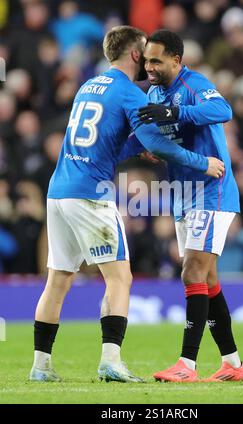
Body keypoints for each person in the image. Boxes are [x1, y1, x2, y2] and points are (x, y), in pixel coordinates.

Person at [29, 26, 225, 383]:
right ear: (136, 54)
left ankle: (40, 366)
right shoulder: (129, 93)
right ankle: (111, 361)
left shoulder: (88, 85)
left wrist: (137, 147)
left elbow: (111, 140)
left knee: (57, 281)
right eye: (145, 55)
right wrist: (202, 163)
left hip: (58, 192)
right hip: (91, 193)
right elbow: (158, 142)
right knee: (120, 278)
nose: (148, 64)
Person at [138, 30, 243, 382]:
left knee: (192, 272)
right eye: (147, 60)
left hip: (211, 192)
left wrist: (174, 111)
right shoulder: (154, 91)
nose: (149, 67)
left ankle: (187, 365)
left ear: (175, 60)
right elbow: (164, 134)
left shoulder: (194, 83)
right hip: (182, 193)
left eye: (156, 60)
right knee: (208, 279)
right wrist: (151, 149)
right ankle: (232, 363)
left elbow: (222, 109)